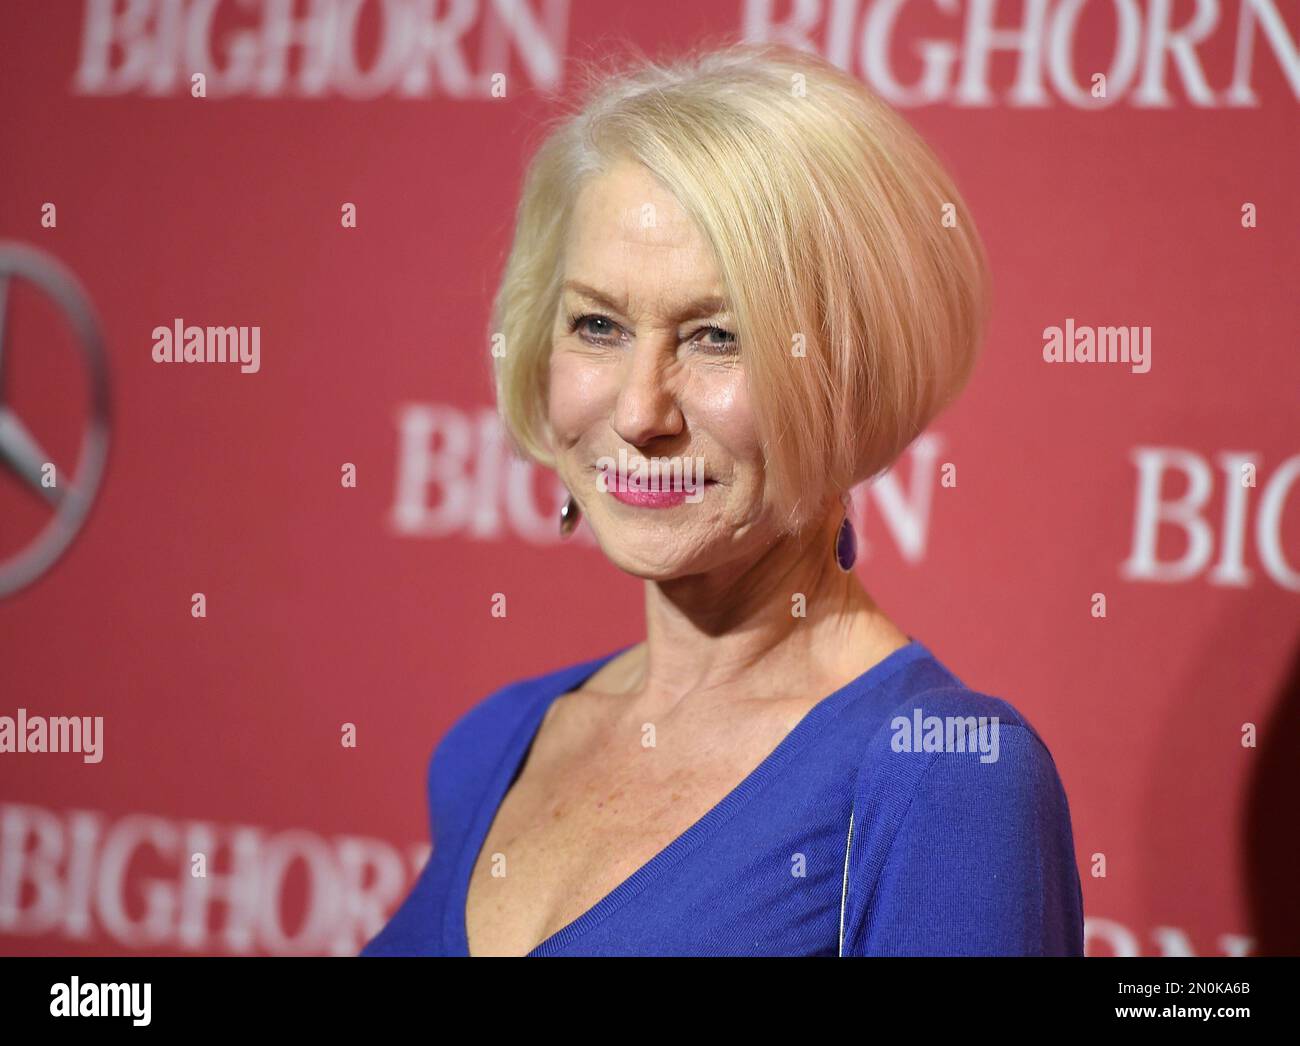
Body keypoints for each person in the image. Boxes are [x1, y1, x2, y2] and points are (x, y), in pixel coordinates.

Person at [361, 41, 1084, 957]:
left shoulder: (947, 777)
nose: (637, 411)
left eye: (715, 337)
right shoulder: (494, 741)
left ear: (855, 378)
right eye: (598, 325)